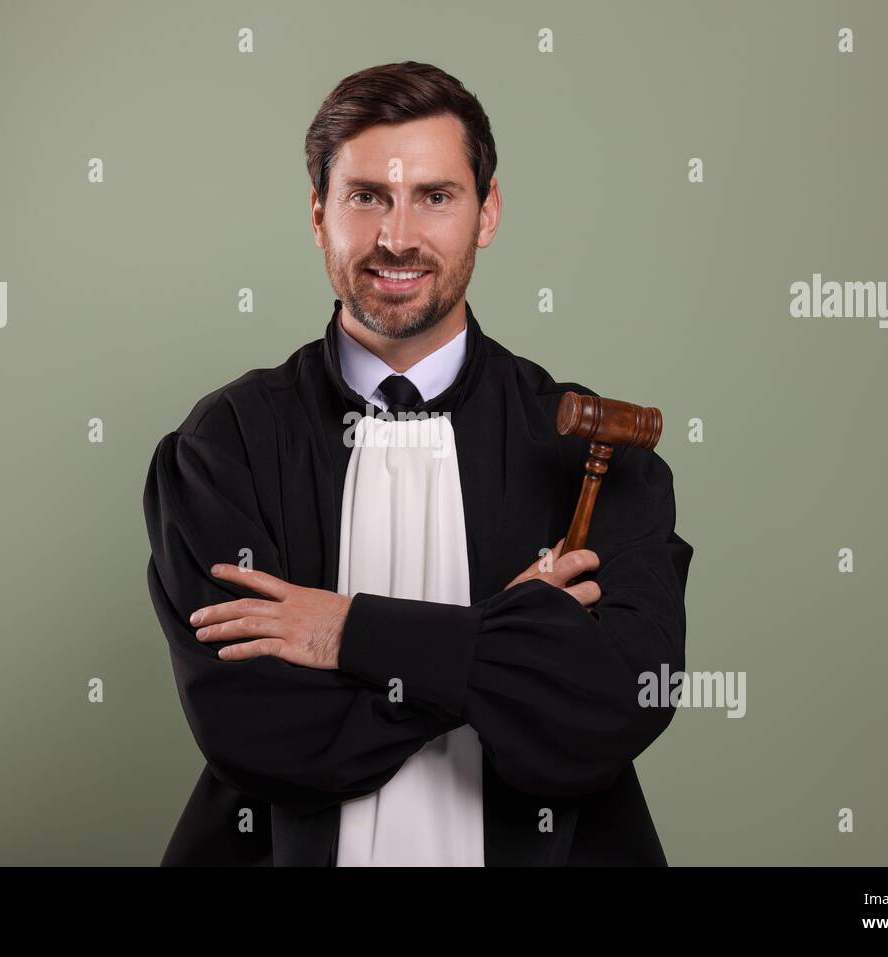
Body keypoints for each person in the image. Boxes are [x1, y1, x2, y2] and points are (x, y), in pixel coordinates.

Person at [142, 61, 694, 866]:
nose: (397, 237)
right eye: (367, 196)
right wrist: (502, 651)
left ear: (487, 212)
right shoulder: (225, 446)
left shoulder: (594, 453)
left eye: (436, 196)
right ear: (318, 212)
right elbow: (256, 728)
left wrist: (347, 630)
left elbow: (604, 710)